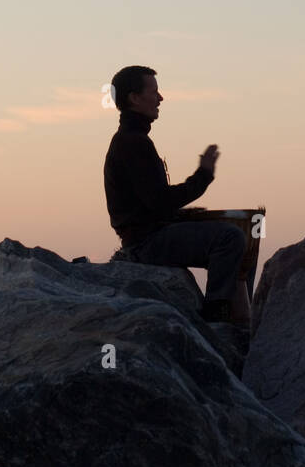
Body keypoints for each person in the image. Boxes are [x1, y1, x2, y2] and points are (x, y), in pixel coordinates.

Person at [103, 65, 255, 326]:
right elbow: (160, 203)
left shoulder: (133, 140)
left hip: (150, 236)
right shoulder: (132, 143)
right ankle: (217, 316)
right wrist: (203, 176)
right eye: (154, 91)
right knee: (231, 238)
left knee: (242, 236)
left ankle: (237, 318)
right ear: (134, 98)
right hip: (145, 244)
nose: (161, 98)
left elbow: (153, 204)